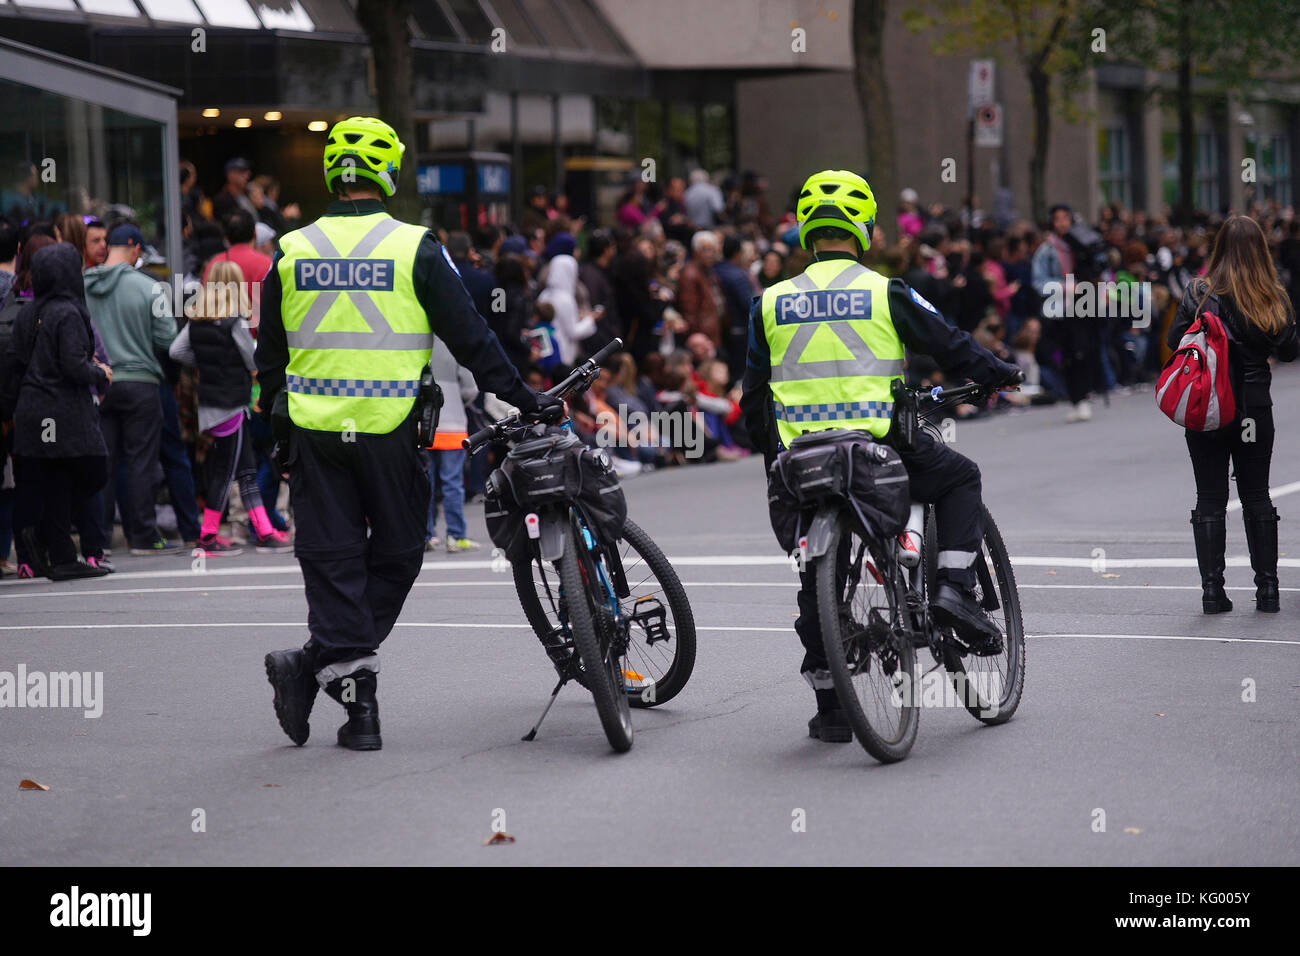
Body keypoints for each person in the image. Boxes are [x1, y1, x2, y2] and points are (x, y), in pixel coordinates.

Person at [257, 116, 556, 752]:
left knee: (334, 561)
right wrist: (522, 397)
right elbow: (470, 335)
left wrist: (271, 438)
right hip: (390, 433)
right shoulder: (415, 246)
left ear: (332, 176)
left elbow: (269, 360)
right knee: (397, 554)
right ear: (387, 173)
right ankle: (359, 708)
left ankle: (314, 669)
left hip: (313, 433)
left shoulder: (290, 250)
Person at [740, 169, 1020, 743]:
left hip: (802, 462)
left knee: (815, 579)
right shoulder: (883, 291)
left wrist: (774, 457)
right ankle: (953, 593)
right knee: (961, 476)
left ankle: (832, 708)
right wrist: (996, 372)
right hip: (881, 453)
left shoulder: (768, 302)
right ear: (863, 228)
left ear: (804, 230)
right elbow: (950, 343)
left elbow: (753, 401)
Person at [1169, 215, 1298, 615]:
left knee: (1210, 497)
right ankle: (1268, 589)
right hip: (1253, 407)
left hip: (1208, 406)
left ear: (1219, 247)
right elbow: (1291, 348)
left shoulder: (1199, 293)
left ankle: (1213, 590)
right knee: (1257, 494)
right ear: (1261, 250)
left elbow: (1176, 341)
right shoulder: (1271, 294)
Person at [2, 243, 112, 580]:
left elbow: (17, 362)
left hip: (32, 409)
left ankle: (45, 546)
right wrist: (102, 374)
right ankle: (58, 549)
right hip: (62, 411)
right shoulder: (68, 312)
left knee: (47, 479)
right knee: (90, 470)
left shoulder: (28, 311)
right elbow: (74, 366)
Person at [168, 260, 291, 555]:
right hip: (232, 405)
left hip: (210, 404)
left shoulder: (197, 321)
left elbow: (176, 351)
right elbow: (252, 360)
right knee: (226, 473)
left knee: (245, 470)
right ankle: (208, 536)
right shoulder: (234, 321)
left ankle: (263, 531)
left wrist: (208, 364)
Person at [84, 223, 181, 554]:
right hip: (141, 384)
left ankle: (99, 540)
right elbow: (168, 339)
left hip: (99, 383)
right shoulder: (149, 287)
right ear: (136, 251)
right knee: (141, 461)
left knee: (104, 462)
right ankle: (142, 536)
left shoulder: (82, 285)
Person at [425, 339, 479, 553]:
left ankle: (426, 535)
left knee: (424, 482)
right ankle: (455, 536)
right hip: (453, 423)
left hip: (424, 425)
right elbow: (470, 389)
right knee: (452, 482)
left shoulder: (415, 339)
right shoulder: (455, 341)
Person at [536, 252, 595, 366]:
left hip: (545, 352)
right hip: (563, 354)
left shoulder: (544, 294)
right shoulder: (566, 299)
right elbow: (573, 331)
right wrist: (590, 320)